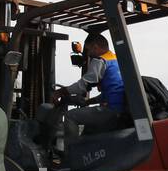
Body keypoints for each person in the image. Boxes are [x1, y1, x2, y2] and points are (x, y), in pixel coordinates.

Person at [50, 32, 127, 162]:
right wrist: (90, 101)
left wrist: (61, 92)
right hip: (119, 109)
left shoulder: (100, 61)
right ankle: (85, 155)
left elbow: (83, 85)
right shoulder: (114, 59)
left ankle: (71, 156)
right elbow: (112, 91)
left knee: (70, 116)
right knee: (88, 127)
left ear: (95, 47)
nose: (89, 54)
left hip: (111, 111)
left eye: (88, 50)